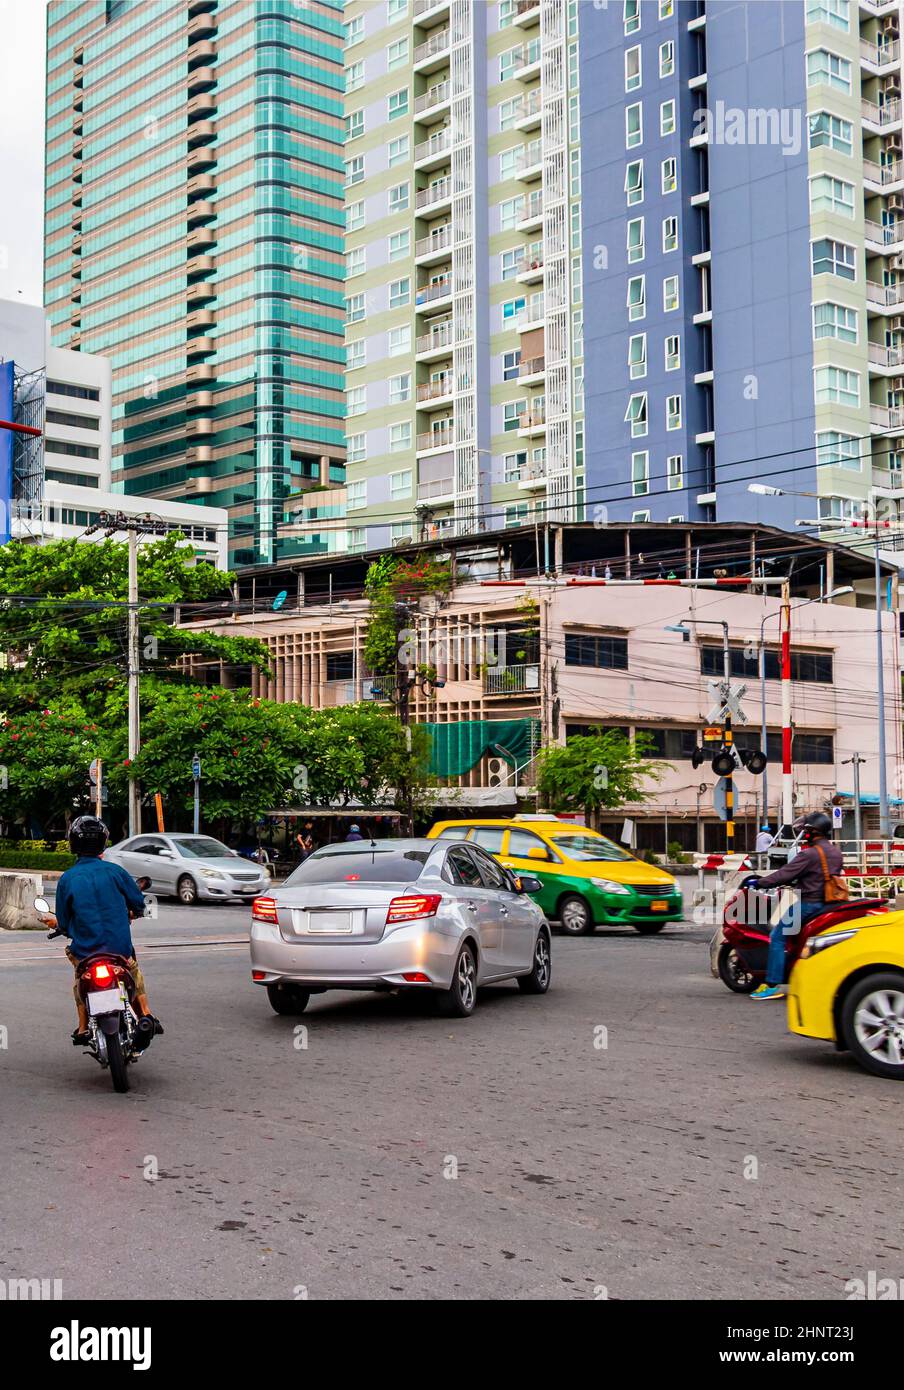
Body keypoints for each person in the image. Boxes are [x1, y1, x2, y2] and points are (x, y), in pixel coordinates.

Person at [52, 815, 163, 1046]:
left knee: (80, 979)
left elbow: (63, 921)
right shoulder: (116, 872)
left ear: (73, 843)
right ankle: (146, 1013)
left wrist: (65, 927)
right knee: (132, 968)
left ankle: (83, 1028)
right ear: (104, 842)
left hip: (86, 951)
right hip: (118, 948)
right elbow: (138, 903)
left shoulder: (67, 879)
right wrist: (134, 911)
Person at [748, 811, 842, 1002]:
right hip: (831, 904)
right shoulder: (835, 852)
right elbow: (822, 876)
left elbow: (783, 874)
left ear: (813, 832)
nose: (803, 834)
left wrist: (759, 883)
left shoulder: (809, 854)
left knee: (777, 936)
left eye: (805, 830)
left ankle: (773, 984)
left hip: (810, 904)